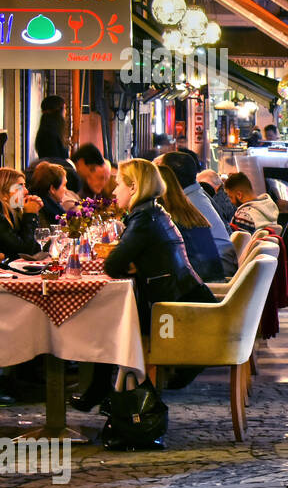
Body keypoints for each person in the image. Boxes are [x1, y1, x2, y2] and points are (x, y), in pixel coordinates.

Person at [74, 159, 216, 411]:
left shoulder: (144, 220)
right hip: (181, 300)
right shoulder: (153, 212)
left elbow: (113, 265)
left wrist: (130, 264)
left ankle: (106, 391)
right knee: (111, 314)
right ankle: (107, 391)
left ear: (134, 187)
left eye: (118, 184)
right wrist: (135, 265)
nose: (114, 190)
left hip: (176, 313)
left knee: (106, 316)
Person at [160, 153, 237, 276]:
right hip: (218, 262)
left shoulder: (188, 204)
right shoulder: (196, 195)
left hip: (216, 269)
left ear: (169, 176)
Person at [28, 160, 69, 226]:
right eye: (64, 185)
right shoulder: (39, 209)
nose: (66, 190)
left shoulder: (53, 208)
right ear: (52, 189)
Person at [34, 95, 68, 162]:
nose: (65, 112)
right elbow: (56, 161)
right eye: (64, 108)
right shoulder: (49, 135)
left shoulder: (47, 132)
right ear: (58, 112)